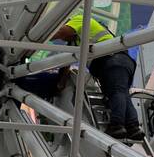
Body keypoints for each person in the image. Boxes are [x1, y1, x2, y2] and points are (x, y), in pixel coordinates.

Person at [52, 10, 143, 141]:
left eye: (63, 38)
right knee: (121, 94)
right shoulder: (77, 41)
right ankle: (133, 128)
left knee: (117, 92)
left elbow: (61, 32)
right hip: (120, 62)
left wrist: (40, 37)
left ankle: (116, 125)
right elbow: (67, 64)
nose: (63, 39)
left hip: (113, 59)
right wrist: (60, 83)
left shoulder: (80, 19)